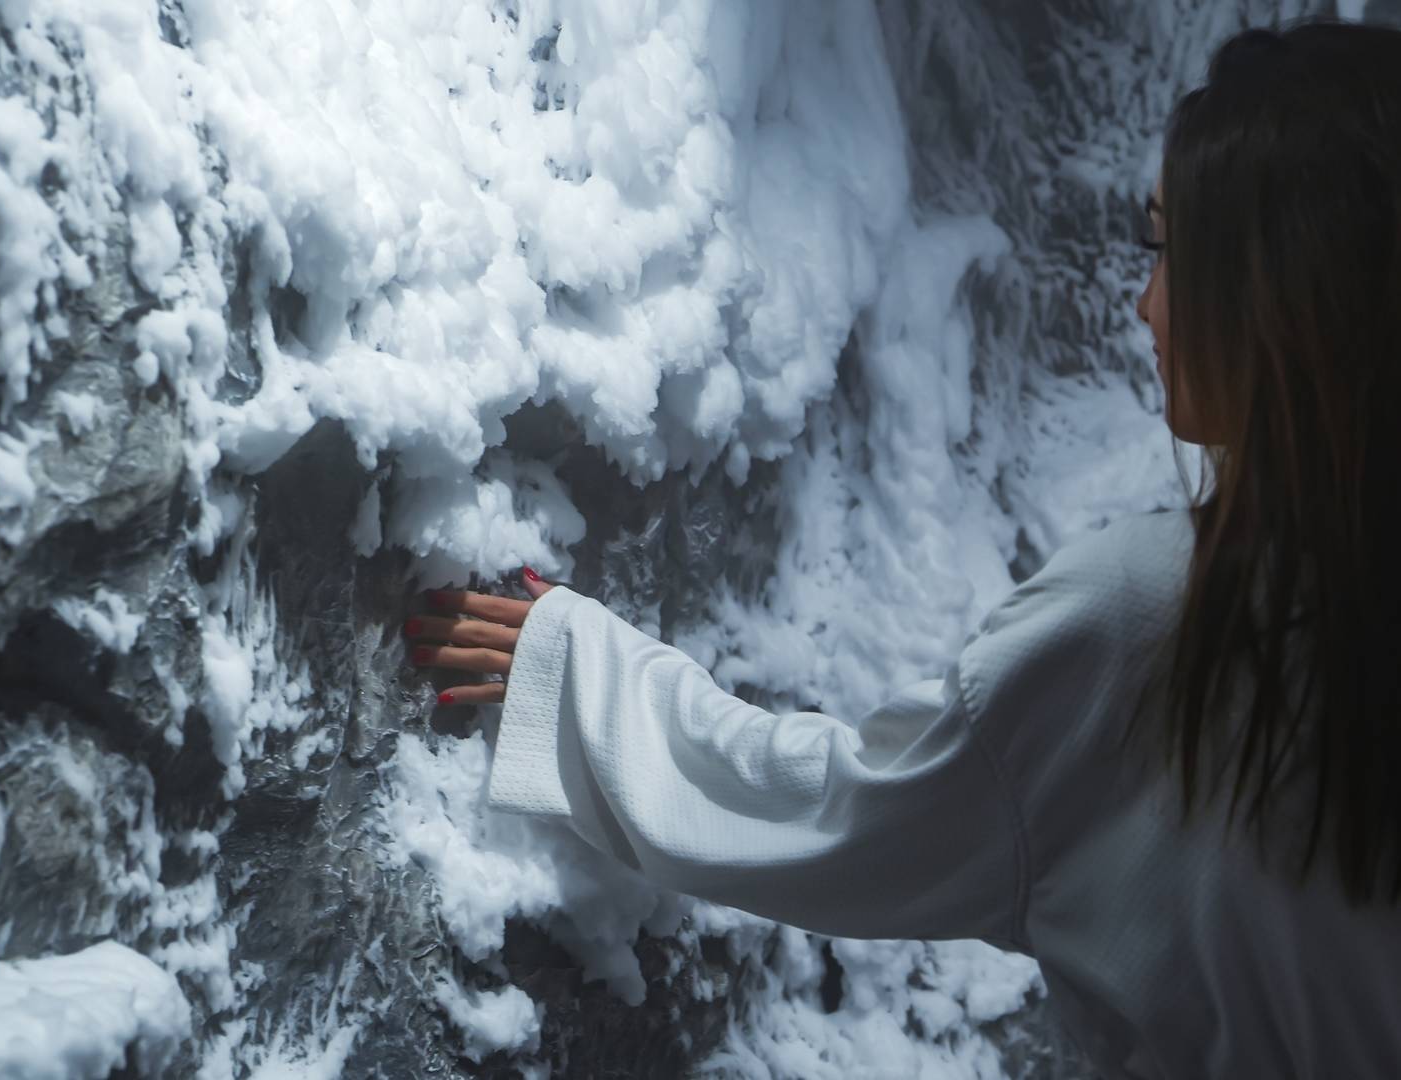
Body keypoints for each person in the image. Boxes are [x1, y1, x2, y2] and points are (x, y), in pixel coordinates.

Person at [402, 19, 1401, 1079]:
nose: (1146, 302)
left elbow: (842, 819)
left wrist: (579, 683)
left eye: (1170, 251)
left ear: (1287, 289)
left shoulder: (1157, 625)